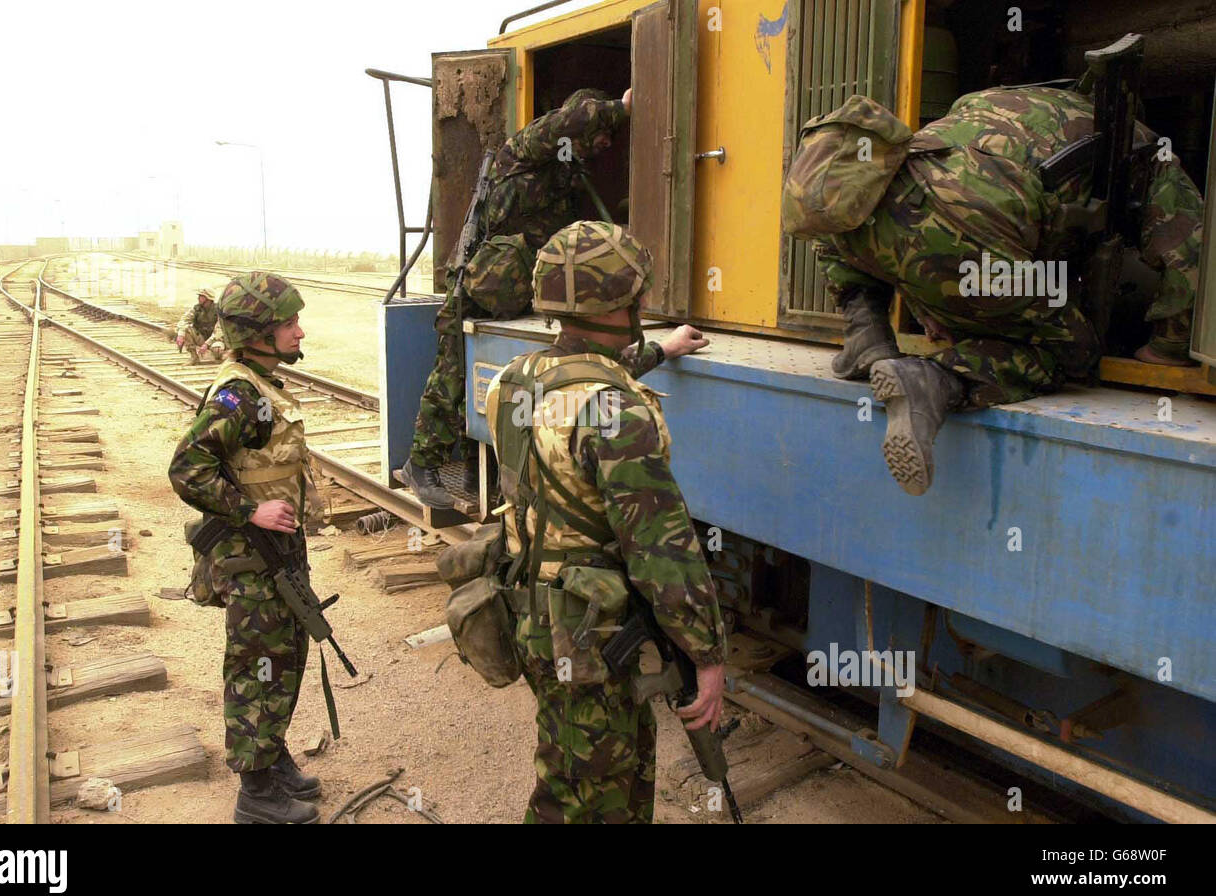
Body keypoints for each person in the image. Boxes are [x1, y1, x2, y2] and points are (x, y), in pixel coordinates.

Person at [797, 86, 1204, 495]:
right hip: (961, 237)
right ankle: (937, 379)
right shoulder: (1156, 163)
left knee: (879, 245)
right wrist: (1166, 350)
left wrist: (935, 303)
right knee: (1073, 347)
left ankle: (867, 338)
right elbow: (1192, 263)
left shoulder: (989, 101)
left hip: (867, 225)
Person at [486, 220, 727, 823]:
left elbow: (582, 380)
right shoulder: (618, 415)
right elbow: (664, 552)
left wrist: (661, 350)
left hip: (533, 615)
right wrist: (708, 653)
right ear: (628, 301)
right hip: (592, 639)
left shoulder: (514, 380)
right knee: (592, 798)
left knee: (571, 768)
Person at [402, 87, 633, 508]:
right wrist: (622, 107)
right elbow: (570, 120)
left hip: (519, 293)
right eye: (603, 133)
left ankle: (476, 470)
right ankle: (421, 464)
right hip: (482, 283)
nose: (606, 142)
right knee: (451, 374)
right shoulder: (529, 148)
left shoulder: (567, 174)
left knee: (485, 387)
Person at [168, 271, 325, 824]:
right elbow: (187, 468)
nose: (299, 331)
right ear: (257, 332)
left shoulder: (263, 386)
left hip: (275, 552)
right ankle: (255, 794)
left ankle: (272, 757)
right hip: (251, 555)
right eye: (287, 323)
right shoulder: (238, 395)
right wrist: (249, 509)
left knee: (285, 657)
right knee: (258, 662)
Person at [175, 287, 219, 364]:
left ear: (208, 298)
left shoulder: (218, 310)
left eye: (201, 296)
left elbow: (220, 330)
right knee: (186, 330)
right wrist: (180, 334)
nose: (198, 298)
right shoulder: (196, 309)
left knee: (218, 350)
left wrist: (207, 344)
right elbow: (184, 320)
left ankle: (221, 357)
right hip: (202, 337)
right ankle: (194, 357)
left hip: (216, 339)